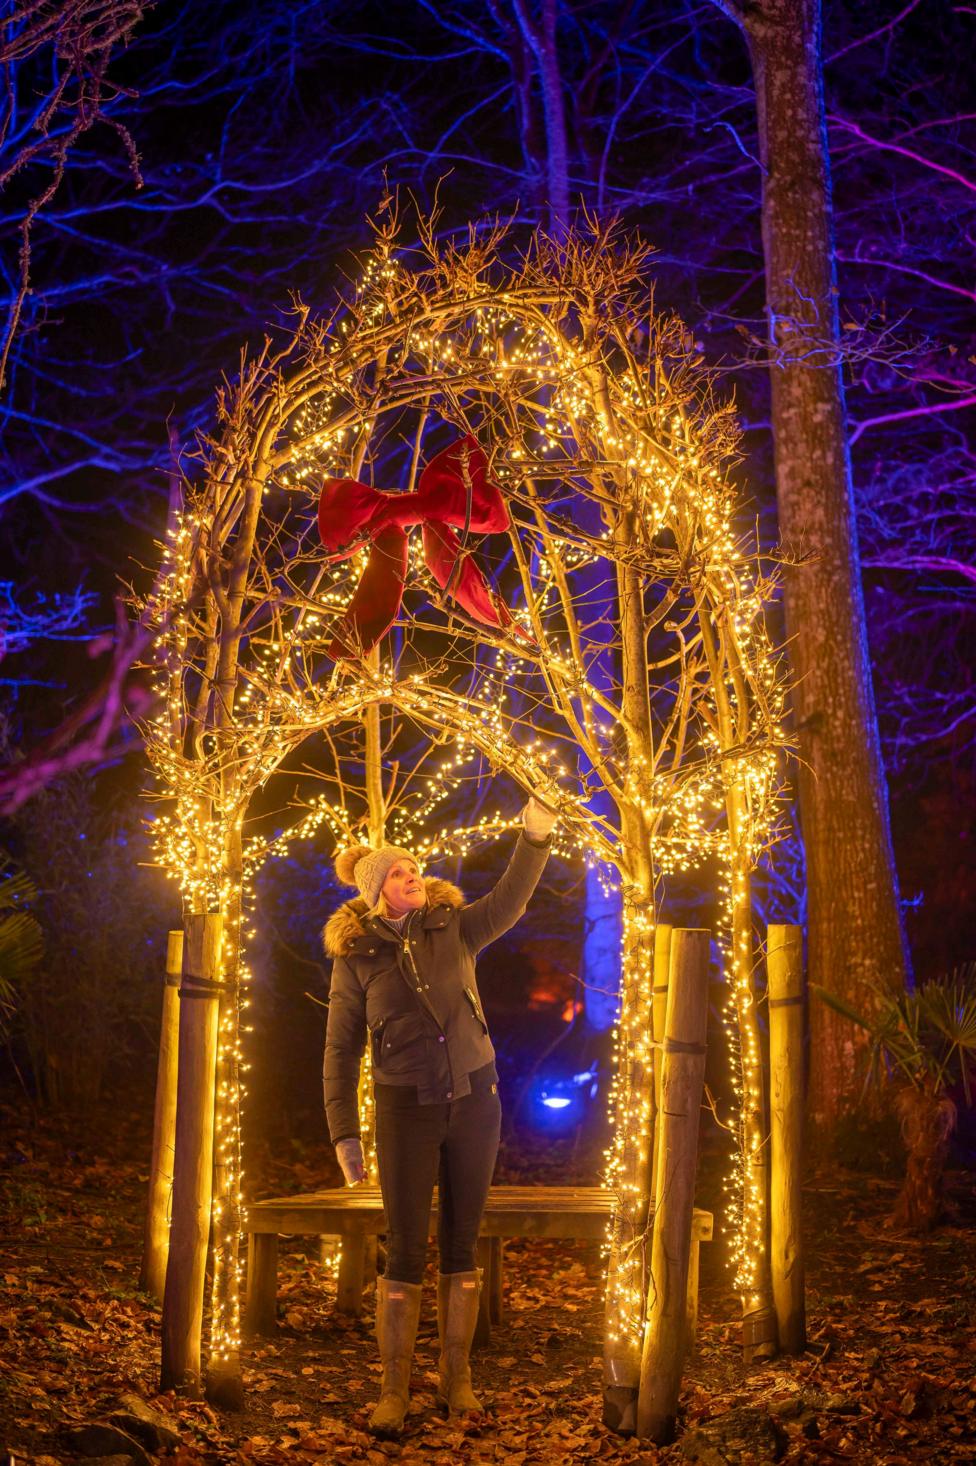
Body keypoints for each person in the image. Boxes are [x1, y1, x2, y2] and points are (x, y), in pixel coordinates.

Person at [322, 794, 557, 1436]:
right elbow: (339, 1049)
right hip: (404, 1109)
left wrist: (534, 837)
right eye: (399, 872)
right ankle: (394, 1389)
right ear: (377, 891)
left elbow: (510, 900)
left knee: (461, 1241)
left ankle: (458, 1379)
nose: (413, 876)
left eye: (415, 868)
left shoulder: (454, 926)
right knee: (403, 1248)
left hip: (475, 1101)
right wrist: (344, 1134)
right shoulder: (356, 955)